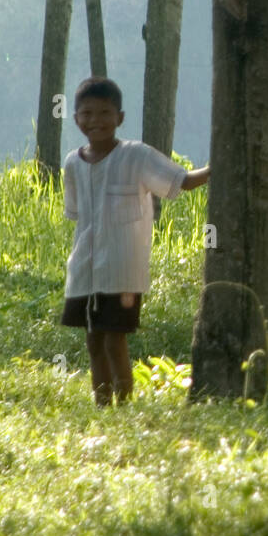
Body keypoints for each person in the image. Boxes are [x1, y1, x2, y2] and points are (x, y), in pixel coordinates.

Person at [61, 76, 210, 406]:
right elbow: (75, 214)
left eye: (104, 113)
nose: (95, 121)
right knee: (93, 342)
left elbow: (181, 182)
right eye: (87, 114)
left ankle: (124, 405)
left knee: (116, 341)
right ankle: (102, 405)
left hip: (122, 271)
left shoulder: (135, 156)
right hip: (85, 268)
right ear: (75, 119)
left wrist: (216, 168)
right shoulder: (72, 163)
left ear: (120, 118)